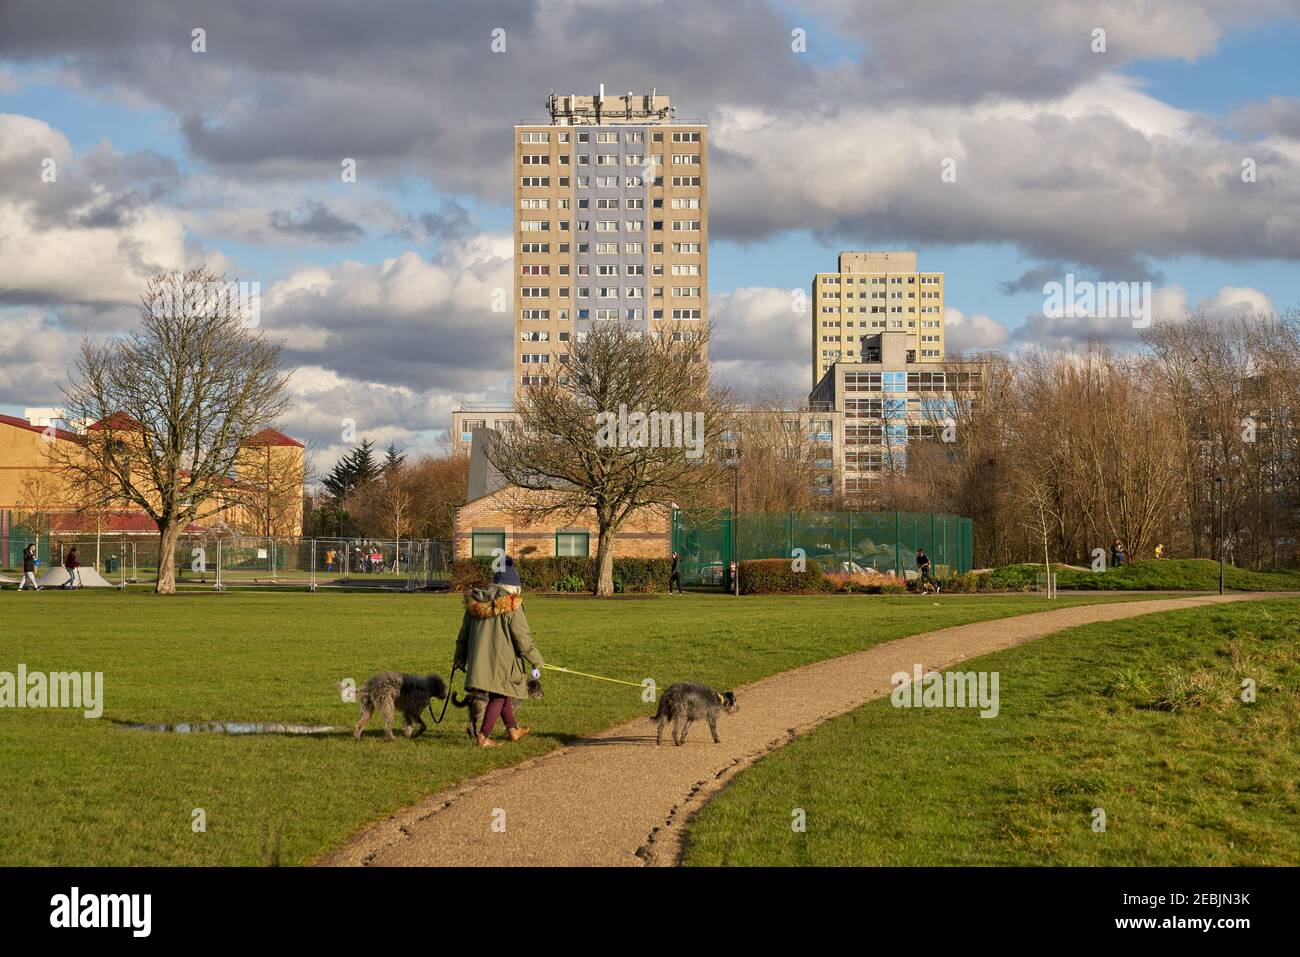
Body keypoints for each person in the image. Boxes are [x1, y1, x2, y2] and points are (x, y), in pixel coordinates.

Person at [454, 556, 544, 748]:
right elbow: (523, 639)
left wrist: (459, 659)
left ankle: (513, 730)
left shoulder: (475, 603)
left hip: (479, 662)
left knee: (502, 692)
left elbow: (463, 636)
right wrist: (537, 661)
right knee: (500, 695)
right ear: (512, 587)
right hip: (502, 662)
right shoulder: (512, 605)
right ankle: (483, 736)